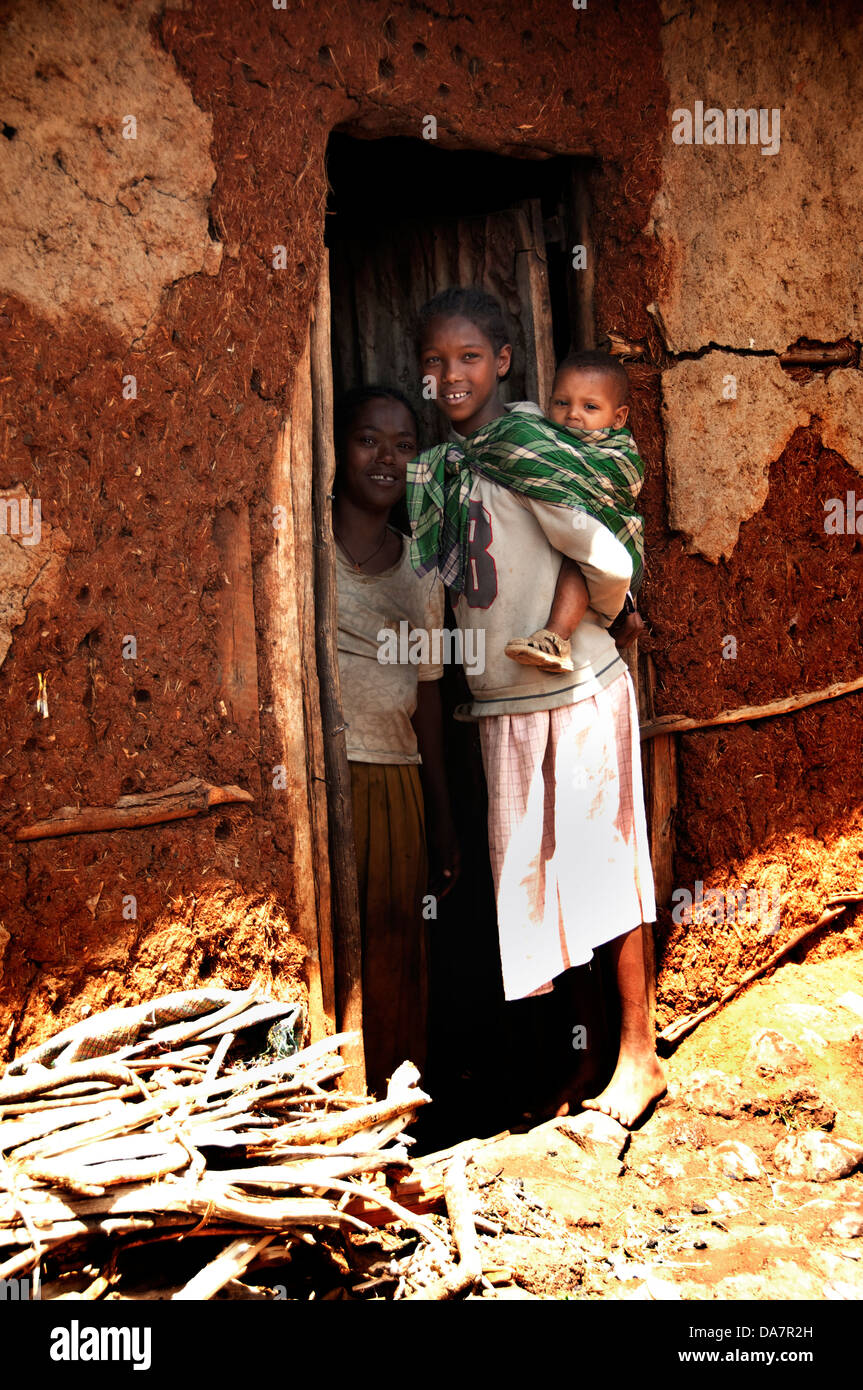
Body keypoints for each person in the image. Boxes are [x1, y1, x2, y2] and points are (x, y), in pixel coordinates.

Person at [407, 287, 665, 1127]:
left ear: (503, 363)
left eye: (470, 358)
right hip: (502, 708)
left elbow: (599, 545)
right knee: (543, 887)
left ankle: (638, 1056)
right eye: (436, 362)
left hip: (575, 690)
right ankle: (583, 1058)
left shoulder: (529, 445)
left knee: (603, 870)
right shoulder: (441, 472)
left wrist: (609, 607)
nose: (452, 375)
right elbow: (449, 593)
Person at [334, 385, 458, 1098]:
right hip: (325, 783)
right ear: (338, 449)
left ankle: (390, 1106)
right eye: (367, 440)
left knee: (393, 947)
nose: (385, 458)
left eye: (404, 445)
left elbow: (429, 696)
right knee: (327, 947)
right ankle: (321, 1100)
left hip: (397, 781)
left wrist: (441, 817)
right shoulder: (304, 545)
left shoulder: (421, 571)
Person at [505, 351, 643, 673]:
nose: (572, 415)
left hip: (613, 546)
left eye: (589, 406)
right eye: (561, 403)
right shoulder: (543, 443)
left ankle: (556, 638)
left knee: (583, 551)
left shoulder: (617, 454)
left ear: (619, 418)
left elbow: (620, 486)